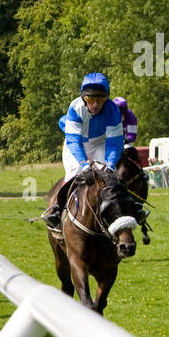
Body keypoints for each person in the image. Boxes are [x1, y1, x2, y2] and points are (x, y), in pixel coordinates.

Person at [44, 73, 125, 225]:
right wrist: (84, 165)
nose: (95, 104)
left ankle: (125, 209)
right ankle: (57, 209)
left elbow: (115, 142)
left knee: (109, 176)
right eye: (90, 99)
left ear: (106, 98)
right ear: (83, 98)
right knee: (75, 173)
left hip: (99, 143)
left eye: (100, 99)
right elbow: (74, 141)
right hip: (75, 145)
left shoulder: (113, 110)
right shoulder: (75, 108)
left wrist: (111, 165)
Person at [112, 96, 139, 163]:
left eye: (122, 114)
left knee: (131, 151)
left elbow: (132, 135)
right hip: (110, 142)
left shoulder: (131, 117)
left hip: (124, 142)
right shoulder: (108, 116)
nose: (121, 117)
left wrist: (125, 139)